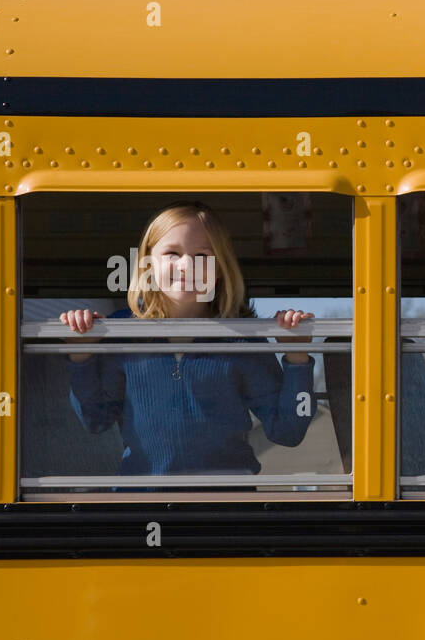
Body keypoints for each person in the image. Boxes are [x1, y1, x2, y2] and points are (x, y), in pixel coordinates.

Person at [59, 202, 315, 476]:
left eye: (202, 255)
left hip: (227, 505)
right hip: (142, 502)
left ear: (219, 269)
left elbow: (289, 431)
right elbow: (94, 420)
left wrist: (297, 358)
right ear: (147, 263)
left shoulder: (242, 340)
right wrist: (81, 355)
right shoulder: (122, 334)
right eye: (172, 253)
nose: (186, 265)